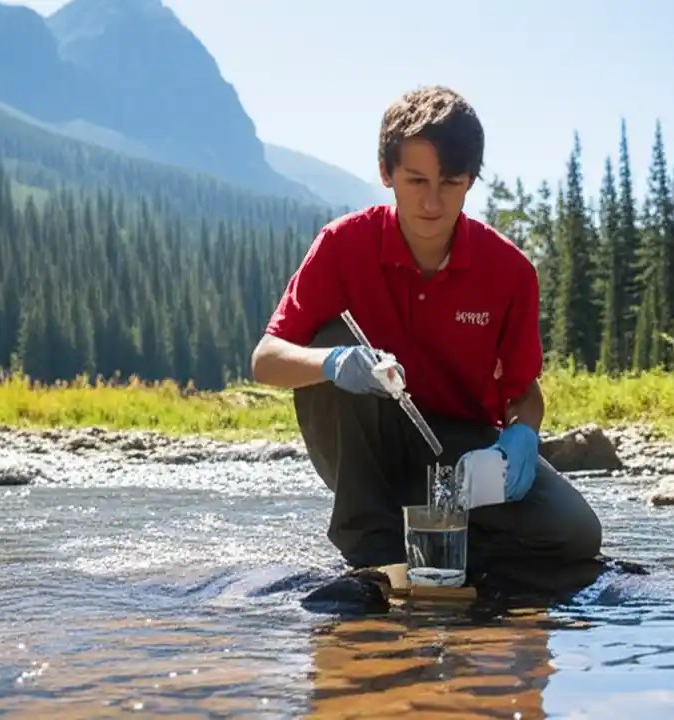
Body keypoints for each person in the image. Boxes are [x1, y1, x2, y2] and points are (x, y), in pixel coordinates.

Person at [249, 85, 602, 585]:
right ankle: (374, 554)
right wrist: (332, 363)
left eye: (451, 182)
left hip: (460, 458)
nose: (433, 202)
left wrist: (523, 434)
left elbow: (522, 390)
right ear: (386, 172)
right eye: (416, 180)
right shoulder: (341, 245)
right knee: (330, 336)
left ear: (471, 180)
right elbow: (266, 360)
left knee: (577, 534)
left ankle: (446, 547)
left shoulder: (510, 271)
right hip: (364, 449)